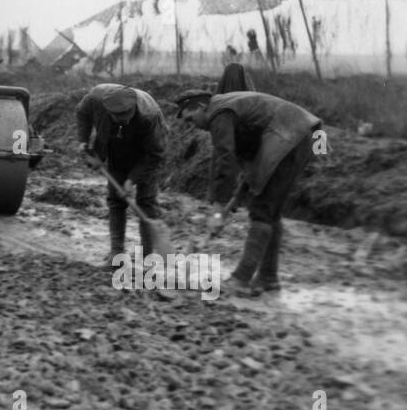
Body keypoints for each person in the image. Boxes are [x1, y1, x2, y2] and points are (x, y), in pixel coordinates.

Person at [174, 89, 323, 297]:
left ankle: (241, 280)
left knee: (262, 209)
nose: (193, 125)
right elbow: (247, 165)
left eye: (191, 119)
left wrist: (217, 212)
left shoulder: (220, 115)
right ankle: (268, 278)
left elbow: (226, 162)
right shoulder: (228, 112)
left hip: (291, 136)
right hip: (297, 135)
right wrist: (233, 200)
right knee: (270, 211)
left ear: (200, 107)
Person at [75, 83, 167, 268]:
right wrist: (83, 141)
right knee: (116, 201)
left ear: (133, 108)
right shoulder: (95, 99)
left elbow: (155, 155)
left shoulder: (150, 116)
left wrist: (132, 179)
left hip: (145, 153)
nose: (121, 120)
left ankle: (147, 260)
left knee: (146, 203)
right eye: (116, 116)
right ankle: (116, 255)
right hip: (115, 148)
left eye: (125, 115)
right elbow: (82, 113)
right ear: (106, 110)